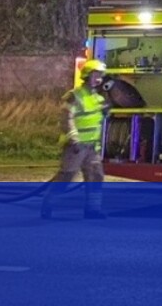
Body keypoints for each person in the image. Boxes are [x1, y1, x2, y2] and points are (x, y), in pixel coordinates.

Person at [41, 59, 110, 220]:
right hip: (76, 146)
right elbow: (67, 118)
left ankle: (92, 210)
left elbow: (96, 120)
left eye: (100, 75)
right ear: (87, 75)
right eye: (95, 74)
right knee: (66, 177)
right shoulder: (74, 96)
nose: (99, 78)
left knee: (95, 176)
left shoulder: (98, 98)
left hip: (92, 147)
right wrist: (73, 138)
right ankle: (48, 206)